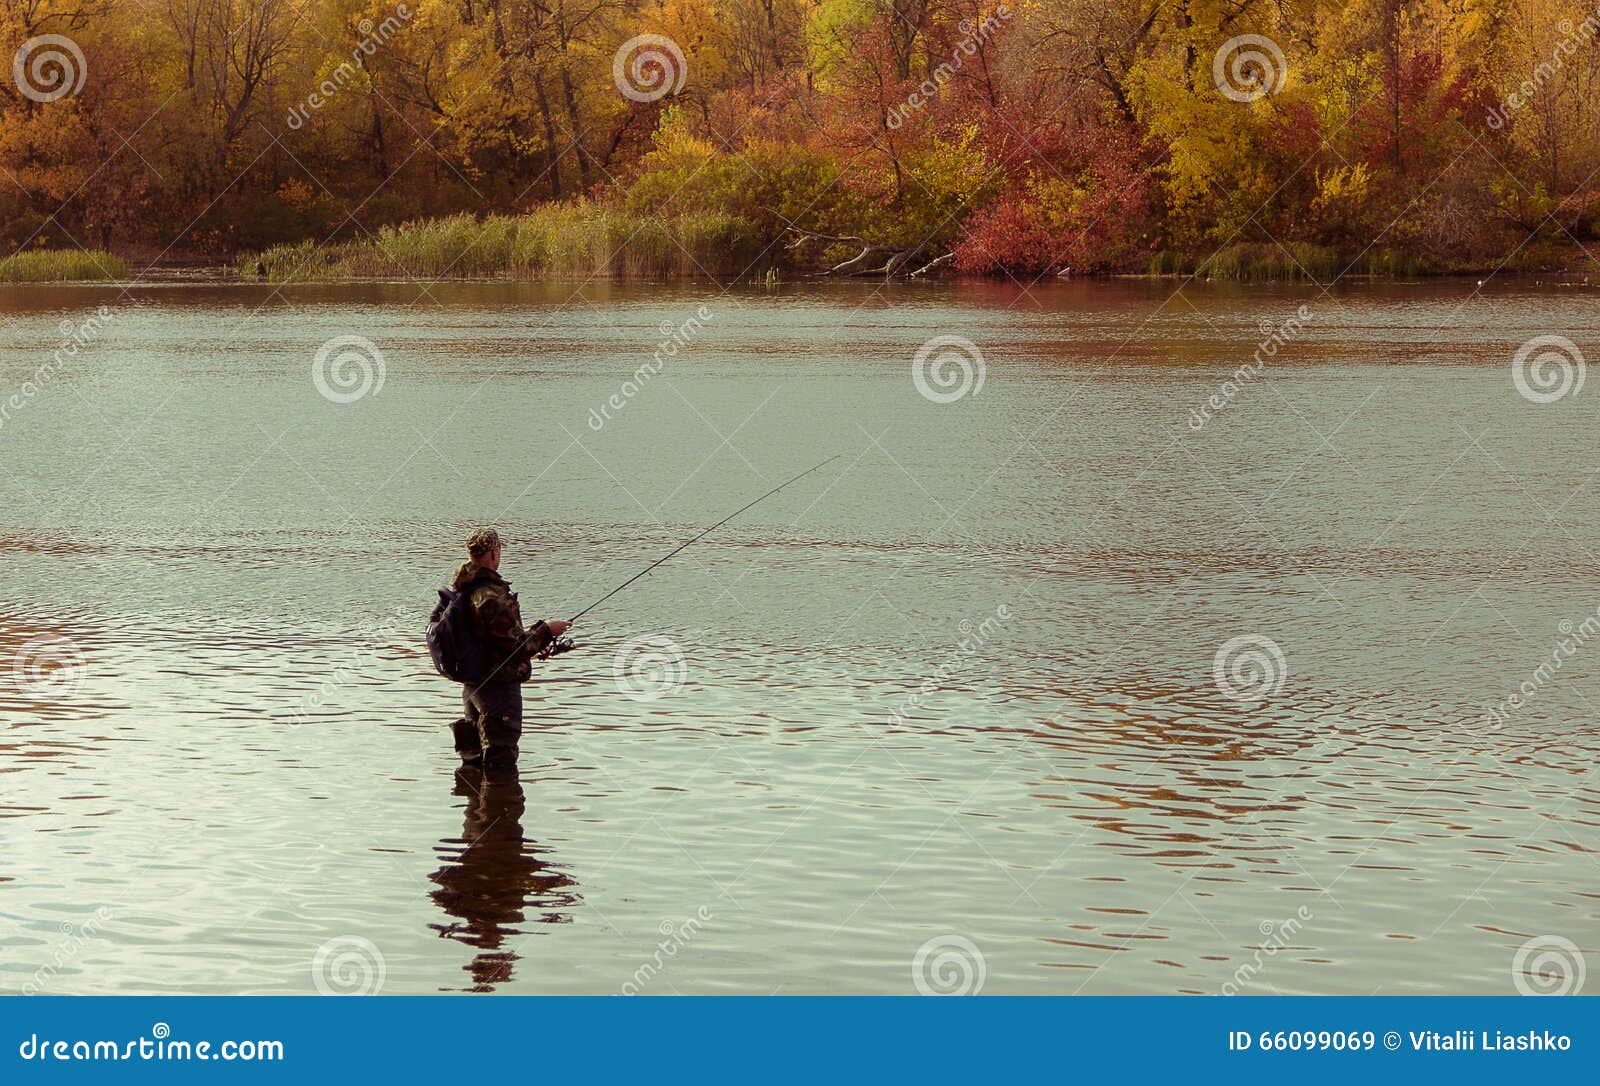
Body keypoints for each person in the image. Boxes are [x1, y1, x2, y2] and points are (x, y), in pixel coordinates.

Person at [449, 528, 571, 770]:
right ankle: (498, 805)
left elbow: (491, 640)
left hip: (473, 685)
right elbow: (514, 648)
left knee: (473, 760)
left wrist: (537, 646)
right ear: (495, 552)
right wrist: (547, 630)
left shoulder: (465, 588)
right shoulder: (491, 595)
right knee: (500, 763)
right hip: (498, 690)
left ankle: (475, 804)